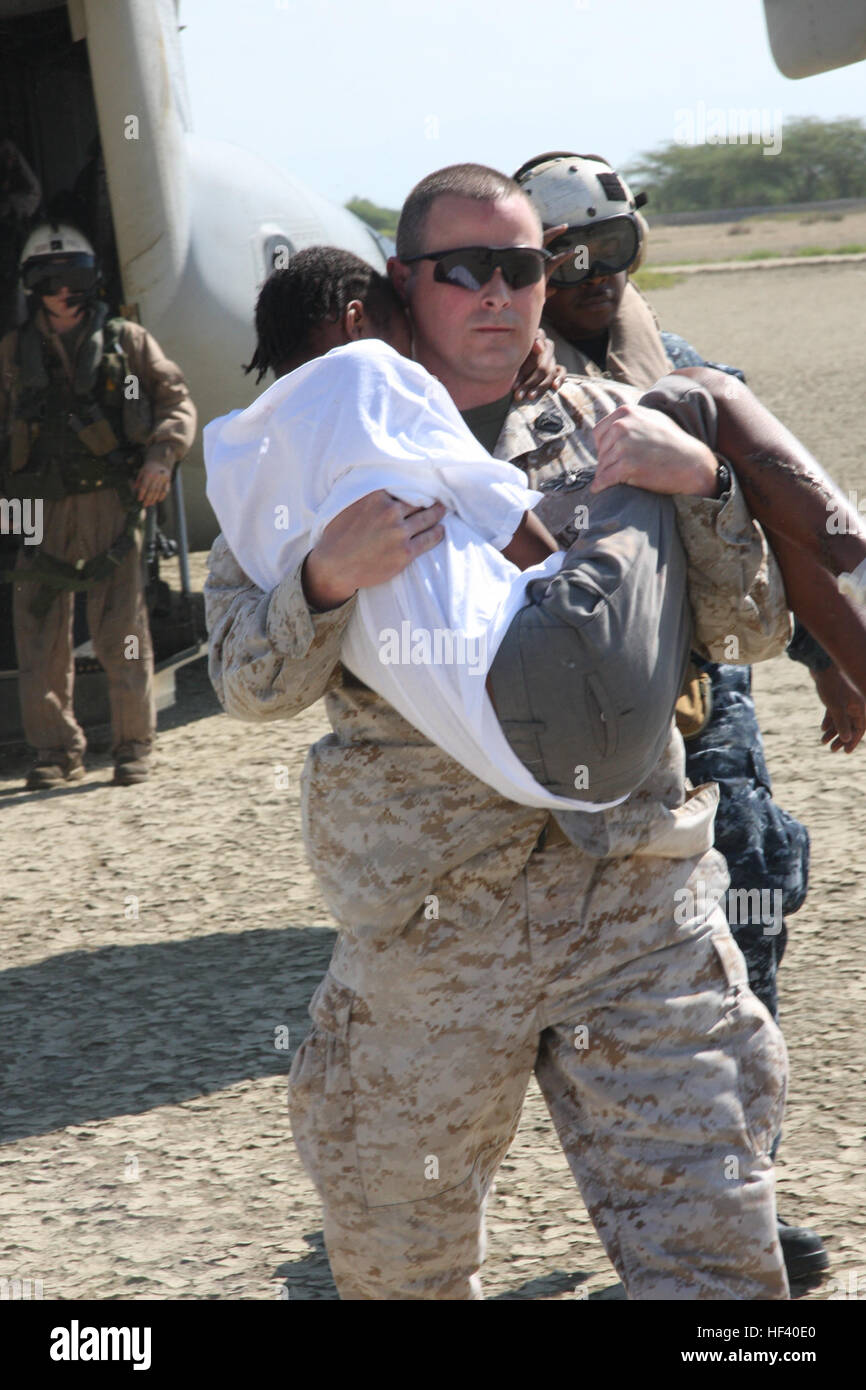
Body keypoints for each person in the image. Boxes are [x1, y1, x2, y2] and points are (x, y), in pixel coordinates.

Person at [206, 163, 797, 1300]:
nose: (496, 292)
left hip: (634, 909)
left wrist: (709, 486)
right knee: (398, 1268)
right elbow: (245, 680)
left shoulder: (611, 423)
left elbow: (752, 626)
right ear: (400, 284)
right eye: (462, 268)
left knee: (716, 1264)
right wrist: (323, 581)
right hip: (429, 928)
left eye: (521, 267)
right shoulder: (323, 436)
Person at [513, 149, 866, 1282]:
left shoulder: (682, 368)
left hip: (702, 693)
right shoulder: (501, 390)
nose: (596, 279)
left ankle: (733, 1203)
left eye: (617, 250)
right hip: (570, 722)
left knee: (746, 909)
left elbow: (778, 519)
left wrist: (826, 661)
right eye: (568, 259)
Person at [204, 256, 702, 815]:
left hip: (527, 770)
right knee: (700, 403)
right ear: (356, 321)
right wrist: (573, 591)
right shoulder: (366, 368)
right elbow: (500, 513)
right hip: (558, 682)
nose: (415, 353)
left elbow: (245, 683)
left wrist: (318, 585)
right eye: (406, 333)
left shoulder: (240, 465)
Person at [0, 222, 197, 787]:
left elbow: (174, 401)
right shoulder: (14, 353)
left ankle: (133, 745)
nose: (66, 290)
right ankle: (56, 753)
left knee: (121, 630)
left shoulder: (128, 342)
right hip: (36, 509)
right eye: (52, 278)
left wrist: (161, 457)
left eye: (76, 277)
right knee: (37, 633)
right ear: (33, 285)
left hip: (114, 502)